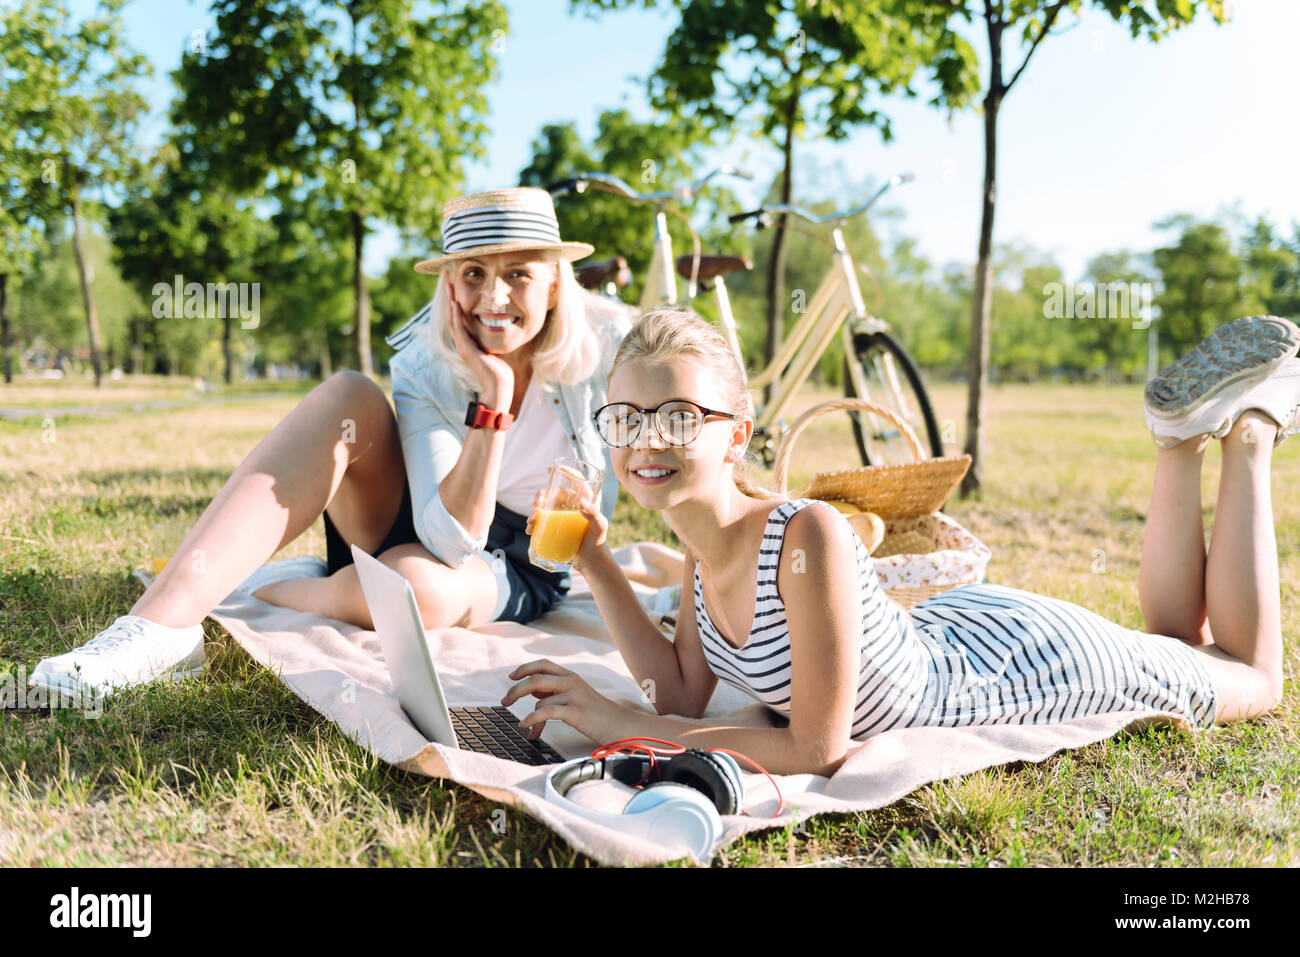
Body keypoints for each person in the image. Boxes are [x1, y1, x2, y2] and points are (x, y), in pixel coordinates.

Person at [501, 309, 1296, 777]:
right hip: (963, 628)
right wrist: (595, 560)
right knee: (1170, 640)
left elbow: (816, 747)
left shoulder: (800, 533)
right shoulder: (706, 561)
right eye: (627, 418)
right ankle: (1179, 444)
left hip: (1018, 668)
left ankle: (1250, 436)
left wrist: (617, 726)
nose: (647, 439)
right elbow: (680, 694)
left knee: (1249, 676)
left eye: (677, 416)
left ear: (736, 435)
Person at [30, 187, 631, 696]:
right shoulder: (426, 359)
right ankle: (162, 623)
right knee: (348, 394)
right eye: (473, 273)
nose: (493, 299)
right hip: (427, 518)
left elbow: (454, 561)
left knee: (413, 592)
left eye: (518, 274)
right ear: (450, 284)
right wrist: (491, 406)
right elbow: (445, 537)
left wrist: (499, 395)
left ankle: (265, 589)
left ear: (555, 285)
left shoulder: (611, 346)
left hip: (526, 560)